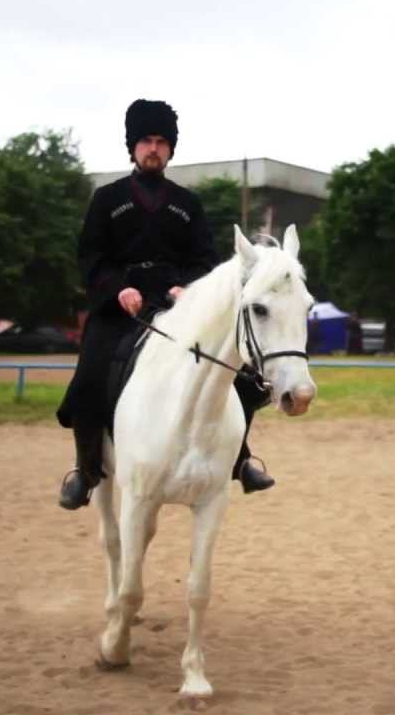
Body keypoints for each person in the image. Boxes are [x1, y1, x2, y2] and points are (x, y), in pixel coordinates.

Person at [56, 98, 275, 510]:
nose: (153, 148)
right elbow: (90, 257)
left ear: (171, 148)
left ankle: (240, 458)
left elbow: (205, 261)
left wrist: (187, 289)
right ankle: (85, 470)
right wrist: (118, 288)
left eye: (160, 141)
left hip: (177, 306)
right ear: (133, 147)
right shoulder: (107, 199)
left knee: (239, 372)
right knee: (88, 378)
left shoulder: (187, 204)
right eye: (145, 141)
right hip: (120, 308)